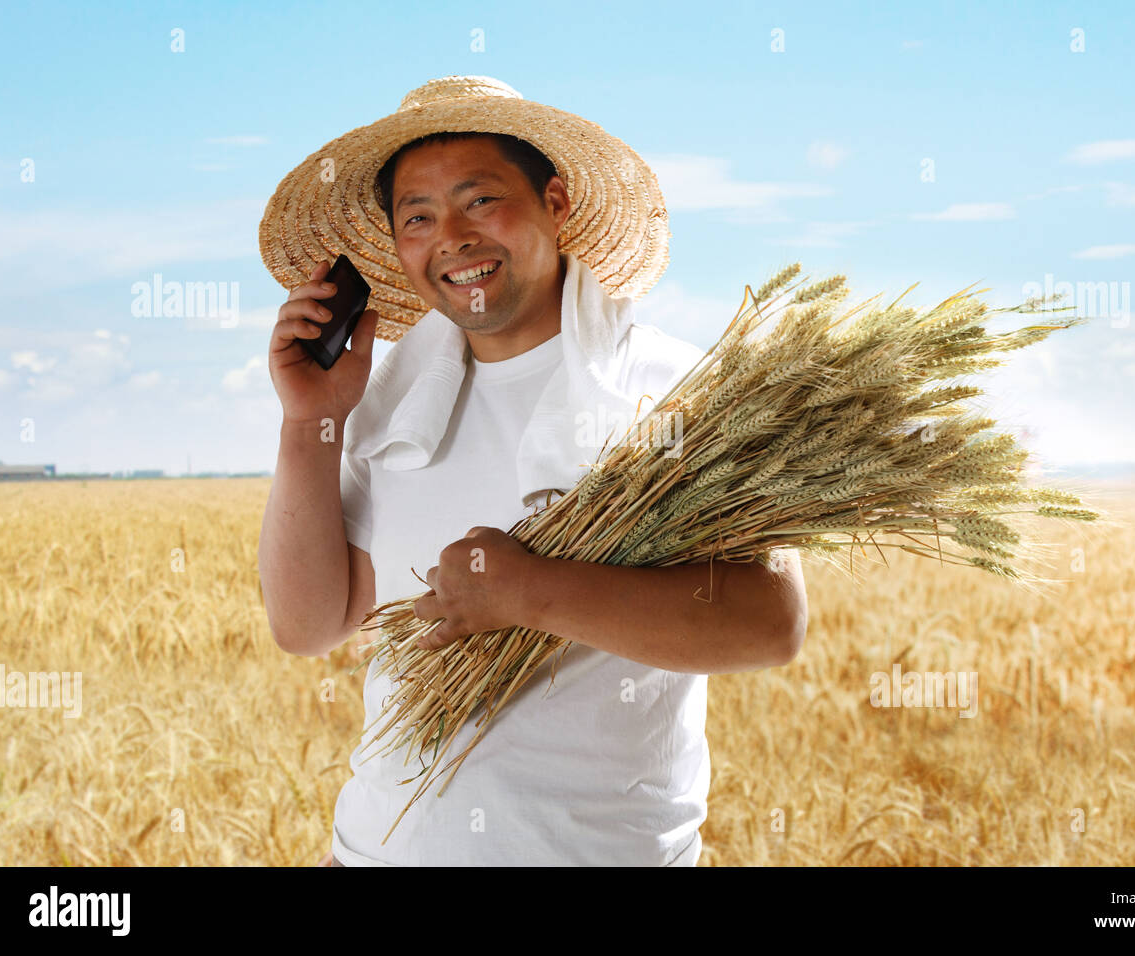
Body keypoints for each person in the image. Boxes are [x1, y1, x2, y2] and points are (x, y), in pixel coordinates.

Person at [257, 75, 808, 866]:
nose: (451, 235)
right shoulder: (390, 407)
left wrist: (527, 591)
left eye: (480, 200)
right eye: (418, 216)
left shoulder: (679, 392)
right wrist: (310, 420)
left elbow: (772, 622)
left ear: (556, 203)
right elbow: (307, 625)